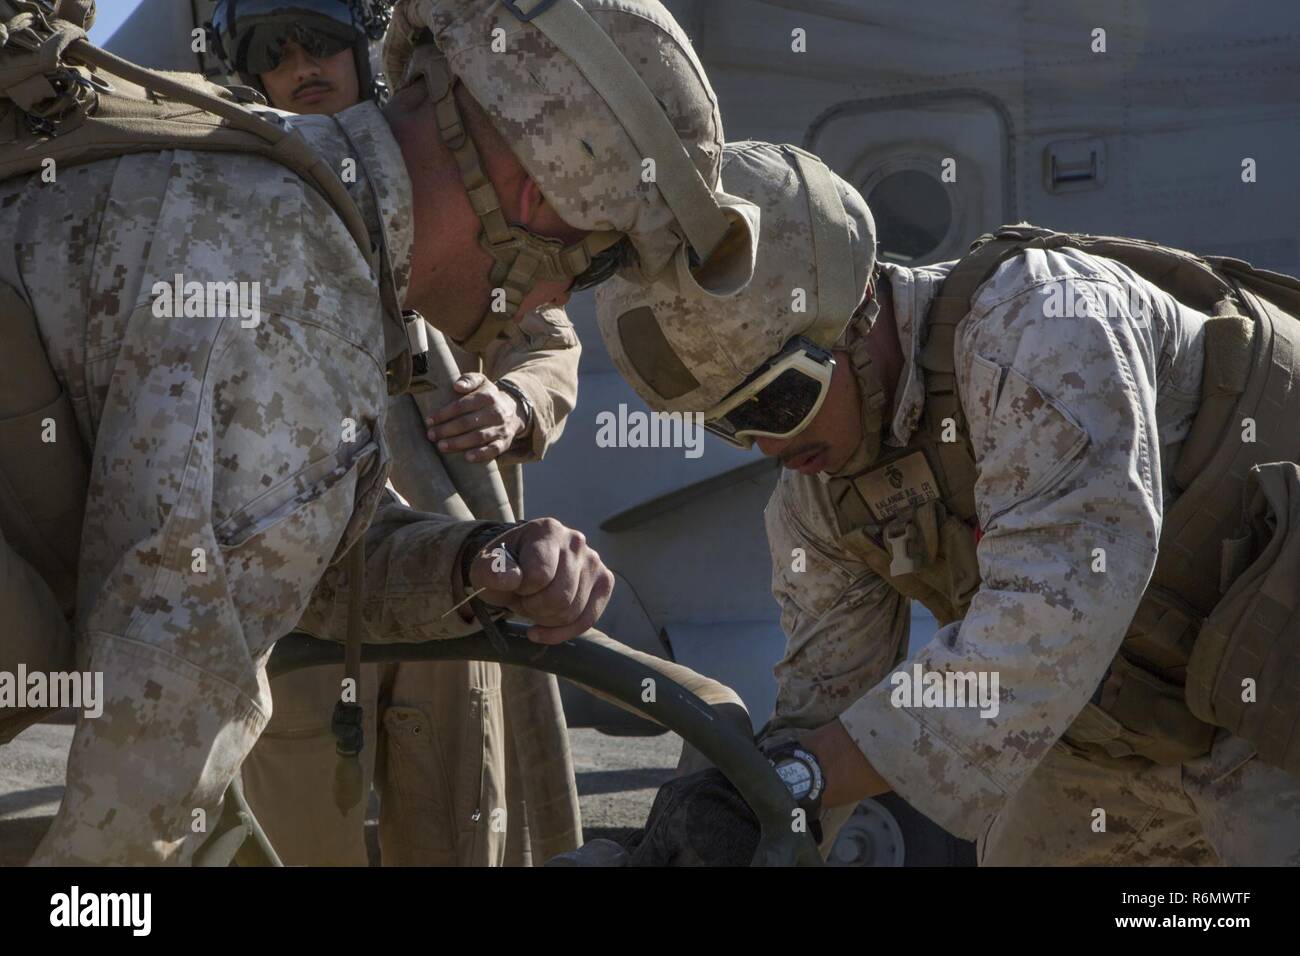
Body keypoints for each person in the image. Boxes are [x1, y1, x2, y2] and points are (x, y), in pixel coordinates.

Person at [0, 0, 740, 864]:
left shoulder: (278, 177)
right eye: (599, 258)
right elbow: (156, 729)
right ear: (543, 193)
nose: (557, 299)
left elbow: (272, 540)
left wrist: (467, 563)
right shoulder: (299, 284)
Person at [596, 140, 1300, 865]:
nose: (766, 445)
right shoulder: (821, 495)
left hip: (1276, 713)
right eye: (727, 425)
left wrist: (798, 777)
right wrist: (753, 814)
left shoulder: (1038, 326)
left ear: (856, 314)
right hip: (1126, 732)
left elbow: (1054, 620)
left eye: (777, 399)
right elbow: (825, 708)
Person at [210, 0, 587, 866]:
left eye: (319, 41)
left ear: (360, 47)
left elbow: (548, 334)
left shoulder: (437, 178)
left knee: (460, 832)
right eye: (276, 50)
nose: (303, 65)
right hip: (297, 604)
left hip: (454, 583)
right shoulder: (227, 200)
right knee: (302, 847)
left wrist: (518, 404)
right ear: (253, 73)